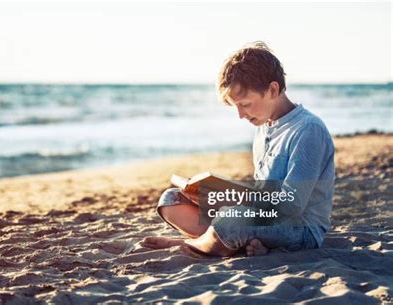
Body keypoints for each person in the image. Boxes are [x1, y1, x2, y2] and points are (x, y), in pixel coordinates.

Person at [142, 41, 335, 257]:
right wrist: (215, 194)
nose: (241, 115)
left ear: (273, 89)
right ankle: (232, 242)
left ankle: (190, 244)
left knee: (230, 221)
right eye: (236, 107)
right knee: (171, 200)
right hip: (263, 217)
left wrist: (234, 200)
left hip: (300, 229)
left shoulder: (308, 130)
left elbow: (292, 205)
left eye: (245, 104)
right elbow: (263, 193)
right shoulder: (264, 127)